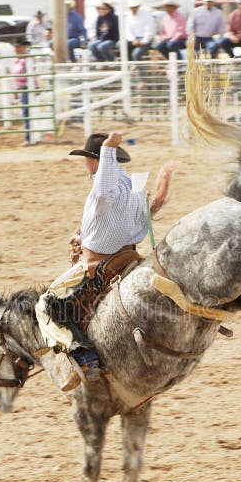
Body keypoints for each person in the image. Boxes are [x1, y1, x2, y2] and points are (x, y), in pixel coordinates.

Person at [35, 132, 148, 391]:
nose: (85, 164)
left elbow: (104, 195)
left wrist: (108, 148)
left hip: (99, 264)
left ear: (96, 161)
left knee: (46, 305)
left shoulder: (103, 187)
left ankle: (85, 359)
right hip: (128, 254)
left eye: (87, 158)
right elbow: (126, 221)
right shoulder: (133, 184)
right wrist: (83, 234)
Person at [12, 37, 32, 146]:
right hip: (23, 89)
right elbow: (16, 76)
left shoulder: (27, 59)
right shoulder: (17, 60)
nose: (17, 49)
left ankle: (28, 138)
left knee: (27, 113)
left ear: (24, 47)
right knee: (26, 113)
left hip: (28, 88)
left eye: (19, 47)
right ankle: (28, 137)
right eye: (16, 47)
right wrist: (15, 89)